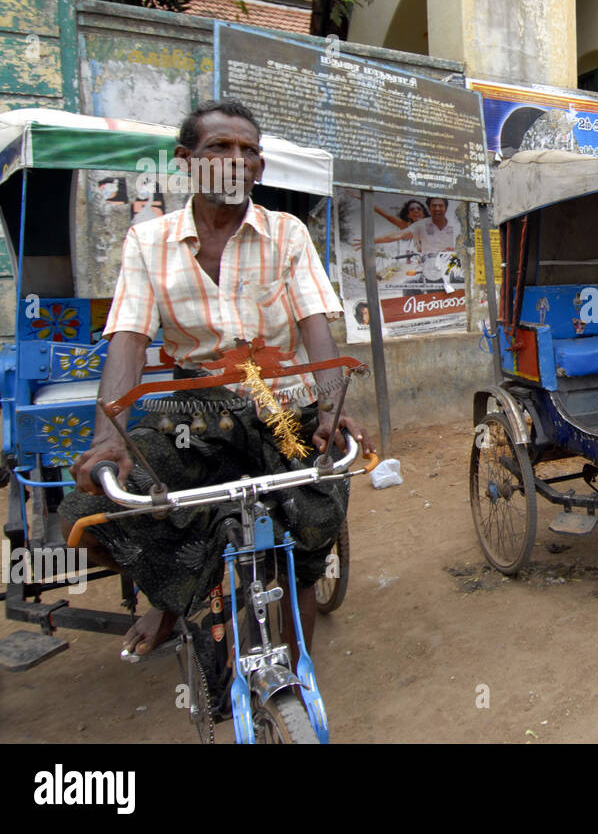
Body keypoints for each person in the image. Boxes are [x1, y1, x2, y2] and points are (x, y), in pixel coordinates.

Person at [60, 99, 373, 661]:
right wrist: (110, 441)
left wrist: (329, 408)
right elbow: (128, 340)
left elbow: (316, 330)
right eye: (219, 148)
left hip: (282, 409)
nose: (238, 160)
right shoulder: (148, 242)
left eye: (249, 150)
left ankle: (296, 661)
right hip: (194, 415)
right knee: (96, 511)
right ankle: (180, 593)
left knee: (316, 509)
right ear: (186, 160)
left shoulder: (287, 233)